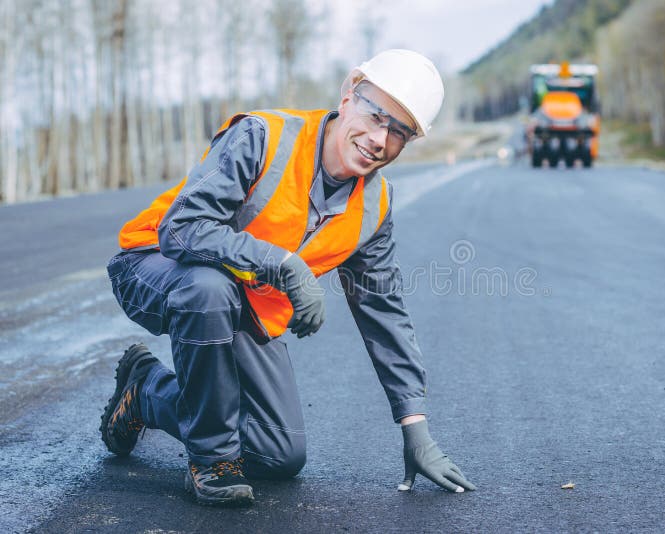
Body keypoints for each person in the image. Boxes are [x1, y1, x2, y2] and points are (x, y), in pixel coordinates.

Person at [100, 49, 475, 506]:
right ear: (349, 90)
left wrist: (414, 426)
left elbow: (384, 312)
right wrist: (283, 264)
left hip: (242, 307)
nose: (379, 139)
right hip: (154, 264)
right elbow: (181, 229)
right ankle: (212, 464)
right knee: (208, 288)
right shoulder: (263, 137)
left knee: (278, 454)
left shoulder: (373, 207)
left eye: (399, 132)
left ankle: (146, 390)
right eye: (377, 115)